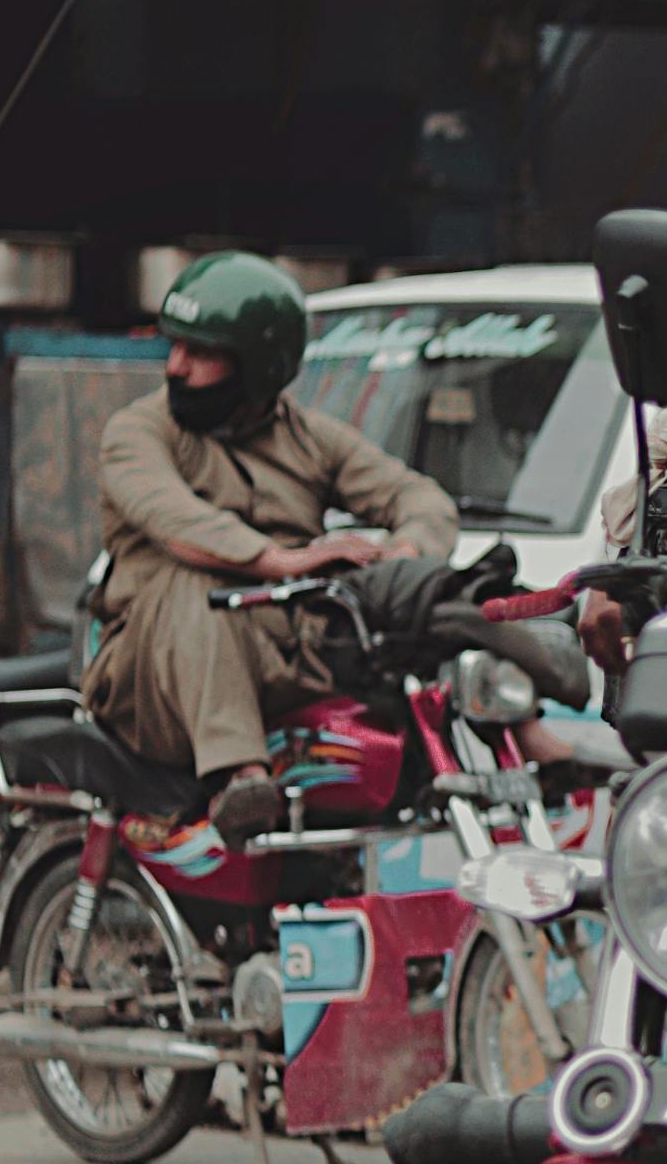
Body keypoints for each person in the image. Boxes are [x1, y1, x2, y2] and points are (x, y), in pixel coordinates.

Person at [87, 251, 458, 828]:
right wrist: (286, 561)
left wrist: (404, 555)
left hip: (281, 659)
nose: (176, 367)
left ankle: (514, 752)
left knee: (426, 604)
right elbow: (178, 522)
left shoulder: (309, 438)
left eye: (201, 352)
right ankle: (239, 778)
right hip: (152, 678)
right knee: (201, 580)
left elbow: (422, 499)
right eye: (175, 346)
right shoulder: (138, 431)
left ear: (258, 366)